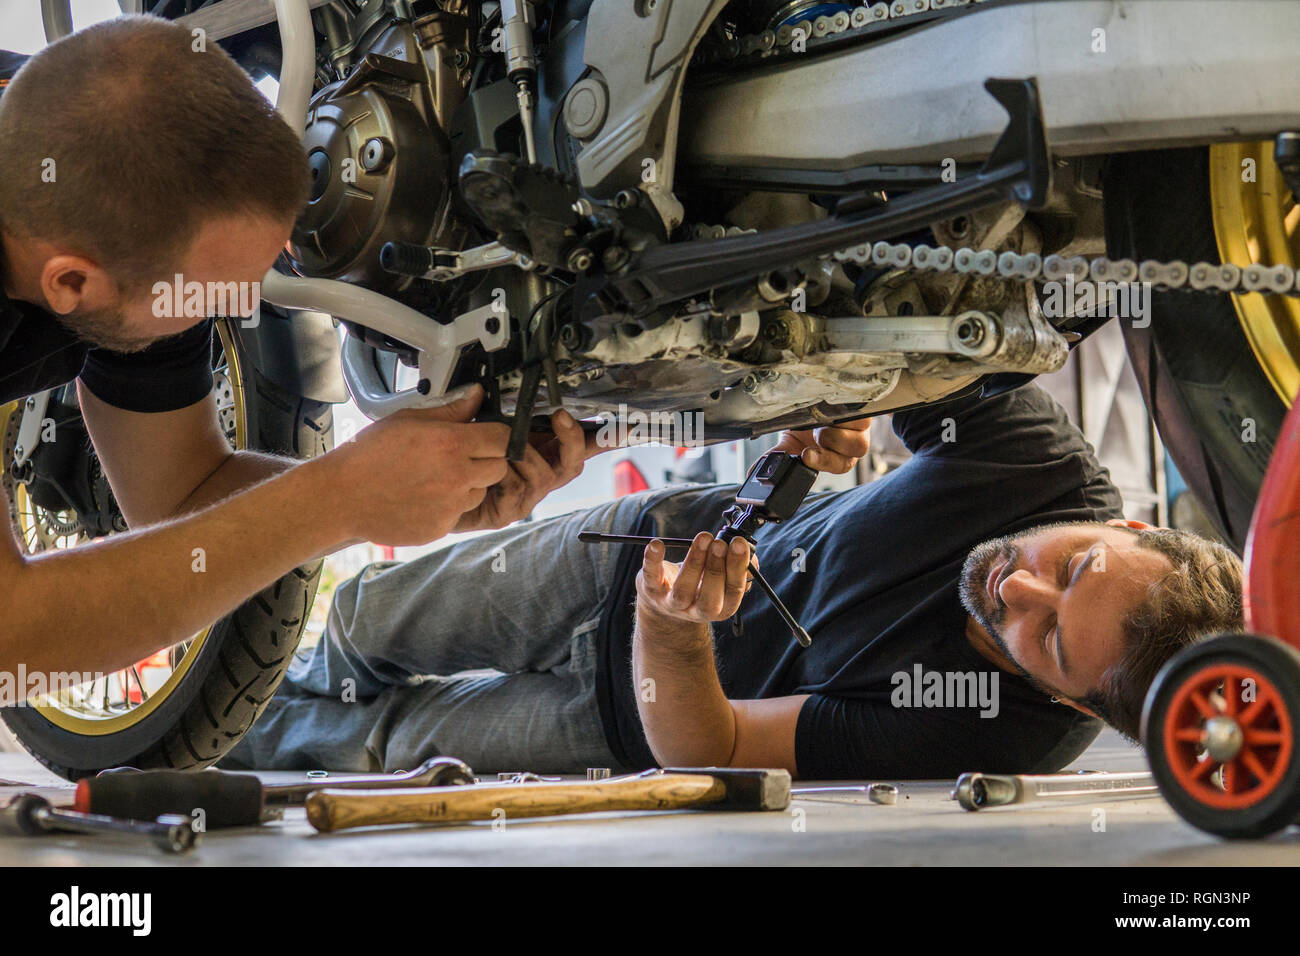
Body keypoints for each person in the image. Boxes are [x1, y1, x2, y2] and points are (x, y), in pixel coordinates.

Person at [227, 384, 1243, 778]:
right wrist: (828, 393)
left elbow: (709, 745)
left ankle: (208, 729)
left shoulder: (994, 732)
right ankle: (211, 678)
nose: (1015, 590)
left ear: (1066, 698)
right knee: (362, 615)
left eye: (1050, 640)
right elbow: (923, 341)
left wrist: (675, 628)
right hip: (626, 546)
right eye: (1070, 564)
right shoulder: (1044, 470)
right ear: (1125, 522)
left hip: (623, 718)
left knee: (376, 743)